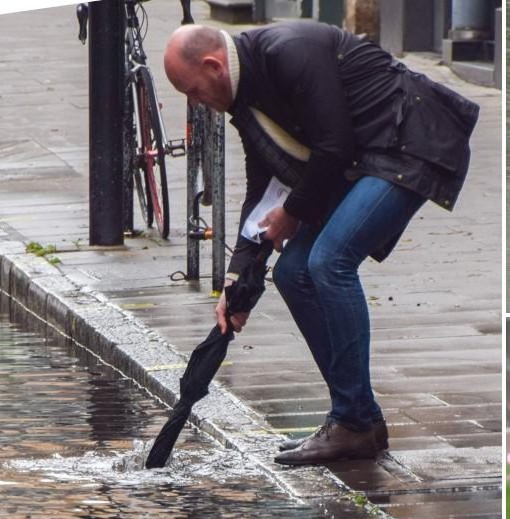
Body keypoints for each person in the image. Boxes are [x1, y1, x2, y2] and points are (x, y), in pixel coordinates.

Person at [162, 23, 479, 466]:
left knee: (330, 262)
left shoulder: (288, 51)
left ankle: (351, 422)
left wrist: (291, 213)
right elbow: (264, 185)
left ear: (214, 66)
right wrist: (240, 279)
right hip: (362, 159)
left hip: (408, 142)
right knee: (293, 272)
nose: (196, 103)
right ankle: (360, 421)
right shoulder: (247, 94)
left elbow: (333, 143)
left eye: (194, 91)